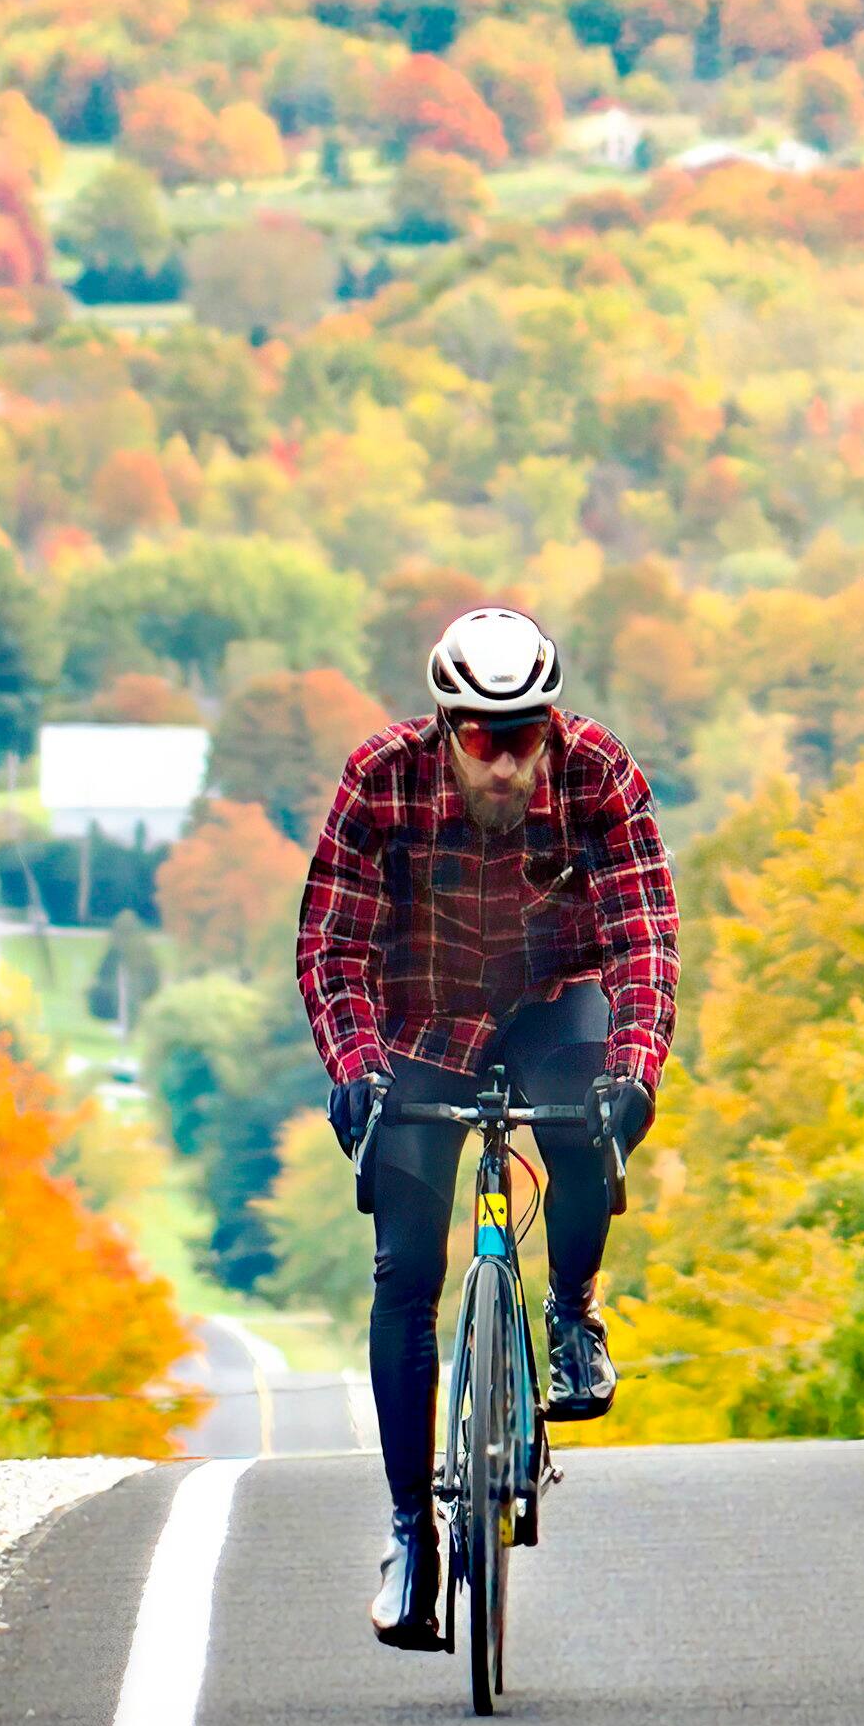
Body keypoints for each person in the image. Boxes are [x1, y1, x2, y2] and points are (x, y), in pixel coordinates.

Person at [297, 603, 678, 1648]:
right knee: (405, 1270)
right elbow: (332, 948)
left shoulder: (598, 774)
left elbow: (644, 934)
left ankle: (570, 1309)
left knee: (584, 1115)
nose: (504, 764)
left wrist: (634, 1072)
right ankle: (409, 1530)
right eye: (480, 738)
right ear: (444, 727)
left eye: (523, 737)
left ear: (549, 726)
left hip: (555, 999)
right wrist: (357, 1069)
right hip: (422, 1021)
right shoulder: (380, 781)